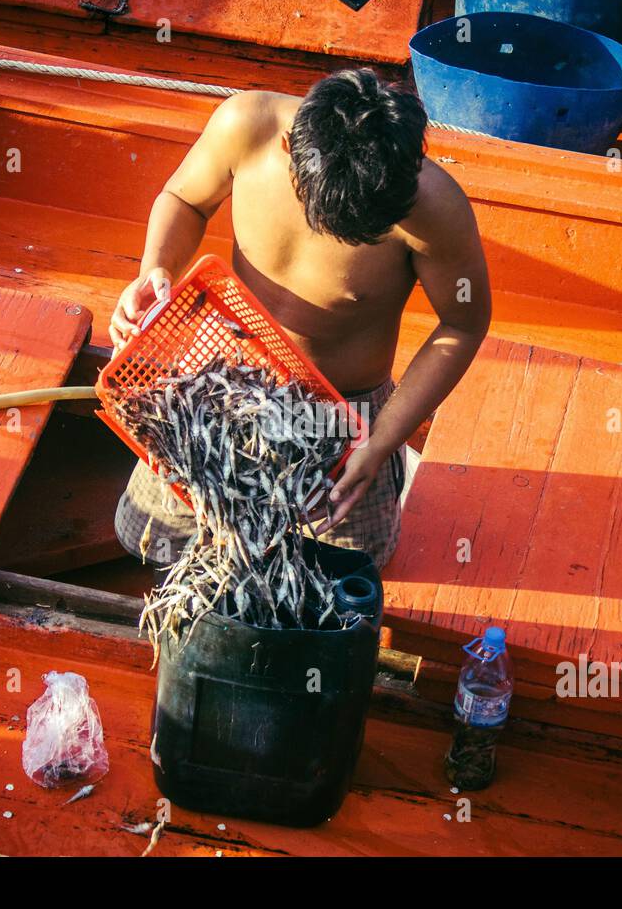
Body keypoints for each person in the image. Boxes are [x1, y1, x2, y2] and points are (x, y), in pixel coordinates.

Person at [110, 67, 491, 569]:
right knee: (142, 540)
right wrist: (155, 267)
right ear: (291, 147)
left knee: (346, 573)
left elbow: (462, 324)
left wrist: (382, 441)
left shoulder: (433, 206)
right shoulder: (246, 126)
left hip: (346, 421)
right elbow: (184, 198)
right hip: (219, 386)